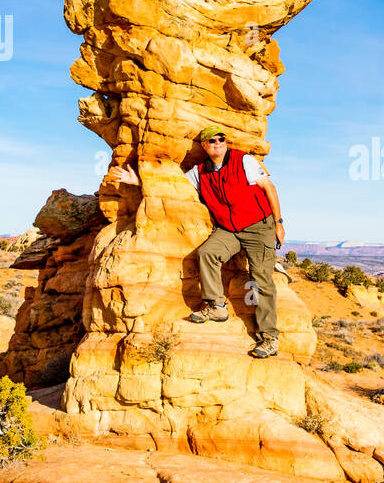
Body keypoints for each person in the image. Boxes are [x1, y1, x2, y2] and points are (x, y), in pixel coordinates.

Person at [111, 126, 286, 358]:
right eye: (212, 140)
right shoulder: (199, 172)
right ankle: (217, 306)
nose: (218, 143)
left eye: (221, 139)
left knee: (261, 279)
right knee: (207, 254)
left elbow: (269, 188)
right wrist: (137, 182)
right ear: (204, 145)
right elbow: (172, 188)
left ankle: (269, 338)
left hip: (258, 226)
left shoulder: (244, 161)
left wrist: (278, 222)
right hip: (229, 229)